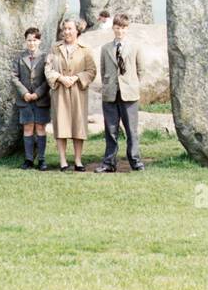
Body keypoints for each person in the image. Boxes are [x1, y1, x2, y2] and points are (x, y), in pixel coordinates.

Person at [93, 13, 145, 172]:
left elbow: (141, 70)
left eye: (123, 28)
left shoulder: (135, 47)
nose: (120, 31)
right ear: (113, 28)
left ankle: (135, 161)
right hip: (110, 94)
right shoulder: (106, 48)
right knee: (111, 130)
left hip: (129, 94)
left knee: (131, 130)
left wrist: (132, 85)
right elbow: (103, 70)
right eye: (117, 27)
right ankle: (109, 163)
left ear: (127, 29)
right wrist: (109, 85)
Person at [44, 19, 97, 170]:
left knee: (77, 125)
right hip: (60, 91)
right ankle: (63, 161)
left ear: (77, 31)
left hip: (78, 91)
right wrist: (60, 78)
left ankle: (78, 160)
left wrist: (76, 78)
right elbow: (48, 69)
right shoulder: (55, 48)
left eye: (70, 29)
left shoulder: (85, 49)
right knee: (61, 125)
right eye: (64, 29)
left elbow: (91, 70)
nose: (67, 32)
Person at [10, 27, 50, 169]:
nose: (32, 43)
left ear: (39, 41)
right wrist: (25, 93)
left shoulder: (45, 57)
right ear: (25, 41)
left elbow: (48, 79)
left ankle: (41, 159)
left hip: (41, 100)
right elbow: (14, 77)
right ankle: (28, 159)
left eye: (34, 40)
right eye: (29, 40)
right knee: (28, 128)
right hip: (25, 100)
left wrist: (37, 93)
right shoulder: (20, 58)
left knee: (40, 127)